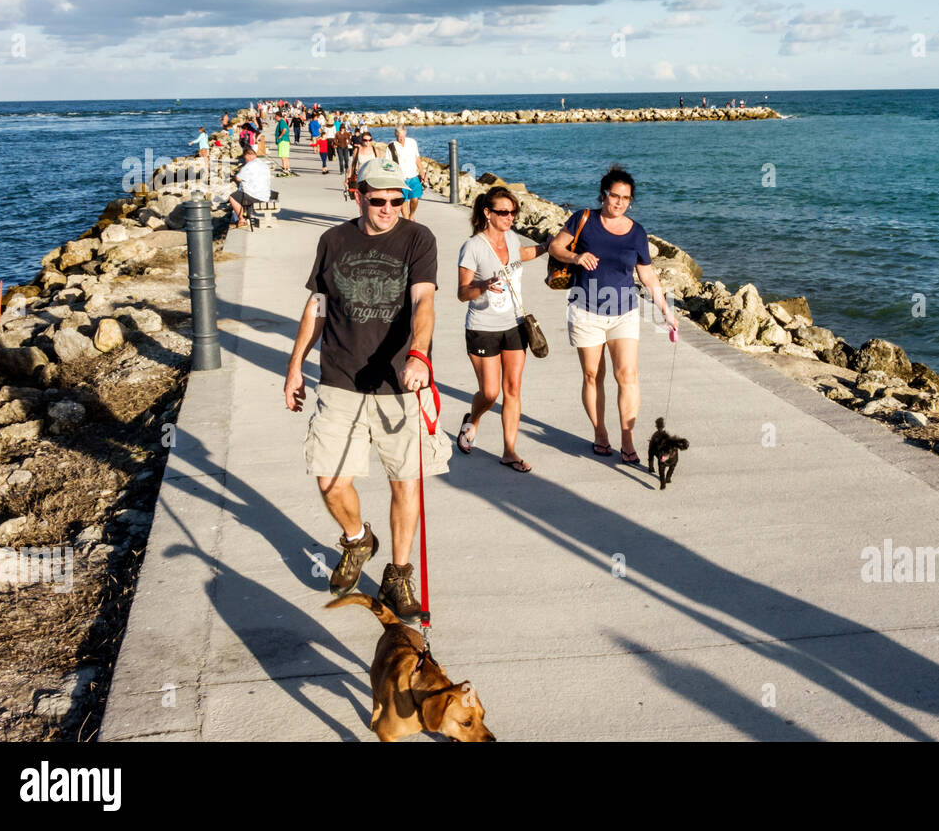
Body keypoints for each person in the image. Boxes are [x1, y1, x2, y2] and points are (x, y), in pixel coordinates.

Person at [286, 157, 450, 619]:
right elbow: (317, 306)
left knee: (405, 483)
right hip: (340, 378)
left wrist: (418, 353)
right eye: (379, 200)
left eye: (398, 200)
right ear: (357, 195)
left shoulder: (418, 238)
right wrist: (295, 366)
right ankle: (358, 539)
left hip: (400, 382)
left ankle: (399, 574)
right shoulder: (333, 240)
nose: (389, 209)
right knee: (330, 481)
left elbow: (424, 300)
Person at [548, 166, 678, 464]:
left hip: (624, 312)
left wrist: (666, 311)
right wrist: (576, 256)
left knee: (627, 375)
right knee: (593, 375)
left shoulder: (637, 232)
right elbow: (555, 247)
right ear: (603, 194)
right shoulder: (583, 220)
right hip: (585, 310)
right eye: (614, 196)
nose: (619, 202)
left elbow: (648, 276)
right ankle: (600, 433)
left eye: (625, 198)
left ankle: (627, 439)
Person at [455, 187, 549, 472]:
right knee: (490, 393)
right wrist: (483, 286)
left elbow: (522, 255)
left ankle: (509, 451)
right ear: (488, 213)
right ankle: (473, 419)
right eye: (504, 212)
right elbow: (462, 293)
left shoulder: (511, 237)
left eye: (514, 213)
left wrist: (549, 246)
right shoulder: (472, 247)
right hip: (482, 328)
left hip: (515, 325)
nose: (510, 218)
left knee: (513, 389)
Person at [387, 123, 426, 221]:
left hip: (413, 176)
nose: (401, 139)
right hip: (400, 178)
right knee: (403, 201)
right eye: (399, 136)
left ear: (405, 133)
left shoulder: (412, 142)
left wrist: (422, 173)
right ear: (395, 135)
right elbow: (388, 164)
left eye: (402, 136)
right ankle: (407, 219)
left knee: (415, 198)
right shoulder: (391, 146)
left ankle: (411, 215)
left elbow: (417, 158)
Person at [228, 145, 272, 229]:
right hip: (265, 195)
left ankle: (242, 220)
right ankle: (244, 217)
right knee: (242, 194)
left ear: (248, 155)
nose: (245, 159)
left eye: (245, 157)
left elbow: (238, 178)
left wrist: (236, 176)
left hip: (256, 196)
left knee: (232, 197)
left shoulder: (249, 165)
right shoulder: (264, 164)